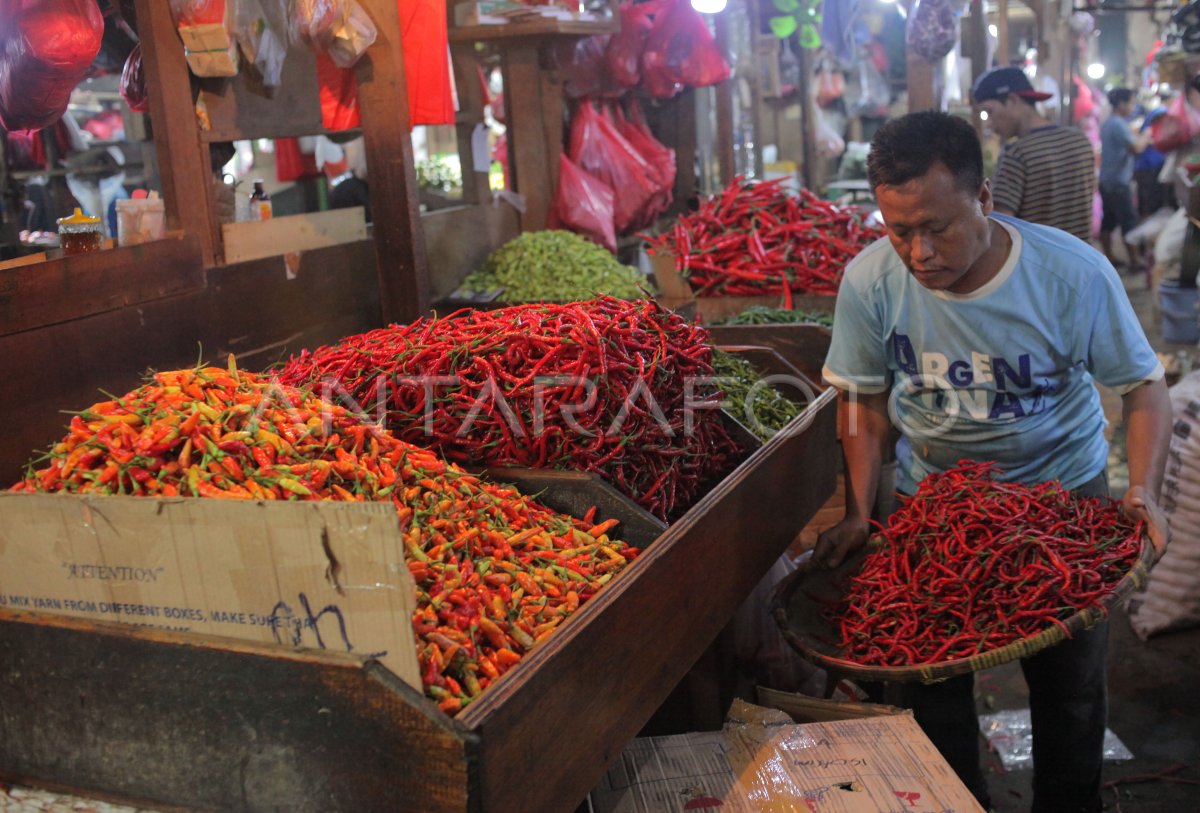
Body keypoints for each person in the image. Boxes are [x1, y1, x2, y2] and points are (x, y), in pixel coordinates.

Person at [814, 111, 1171, 813]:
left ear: (985, 201)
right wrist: (859, 509)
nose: (918, 252)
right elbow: (862, 398)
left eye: (937, 226)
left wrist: (1146, 492)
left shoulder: (1070, 273)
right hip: (933, 509)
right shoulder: (870, 281)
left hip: (1062, 506)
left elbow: (1143, 385)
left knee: (1069, 688)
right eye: (898, 229)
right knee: (924, 684)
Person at [973, 66, 1095, 241]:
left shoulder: (1017, 153)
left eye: (989, 112)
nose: (990, 124)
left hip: (1039, 265)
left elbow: (1000, 227)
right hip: (1083, 261)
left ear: (1012, 100)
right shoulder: (1079, 140)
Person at [1100, 88, 1152, 272]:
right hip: (1118, 181)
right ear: (1121, 104)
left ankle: (1108, 257)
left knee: (1109, 220)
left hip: (1107, 179)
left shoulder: (1110, 123)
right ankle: (1135, 260)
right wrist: (1147, 135)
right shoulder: (1118, 124)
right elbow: (1136, 148)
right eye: (1131, 102)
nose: (1133, 107)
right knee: (1128, 220)